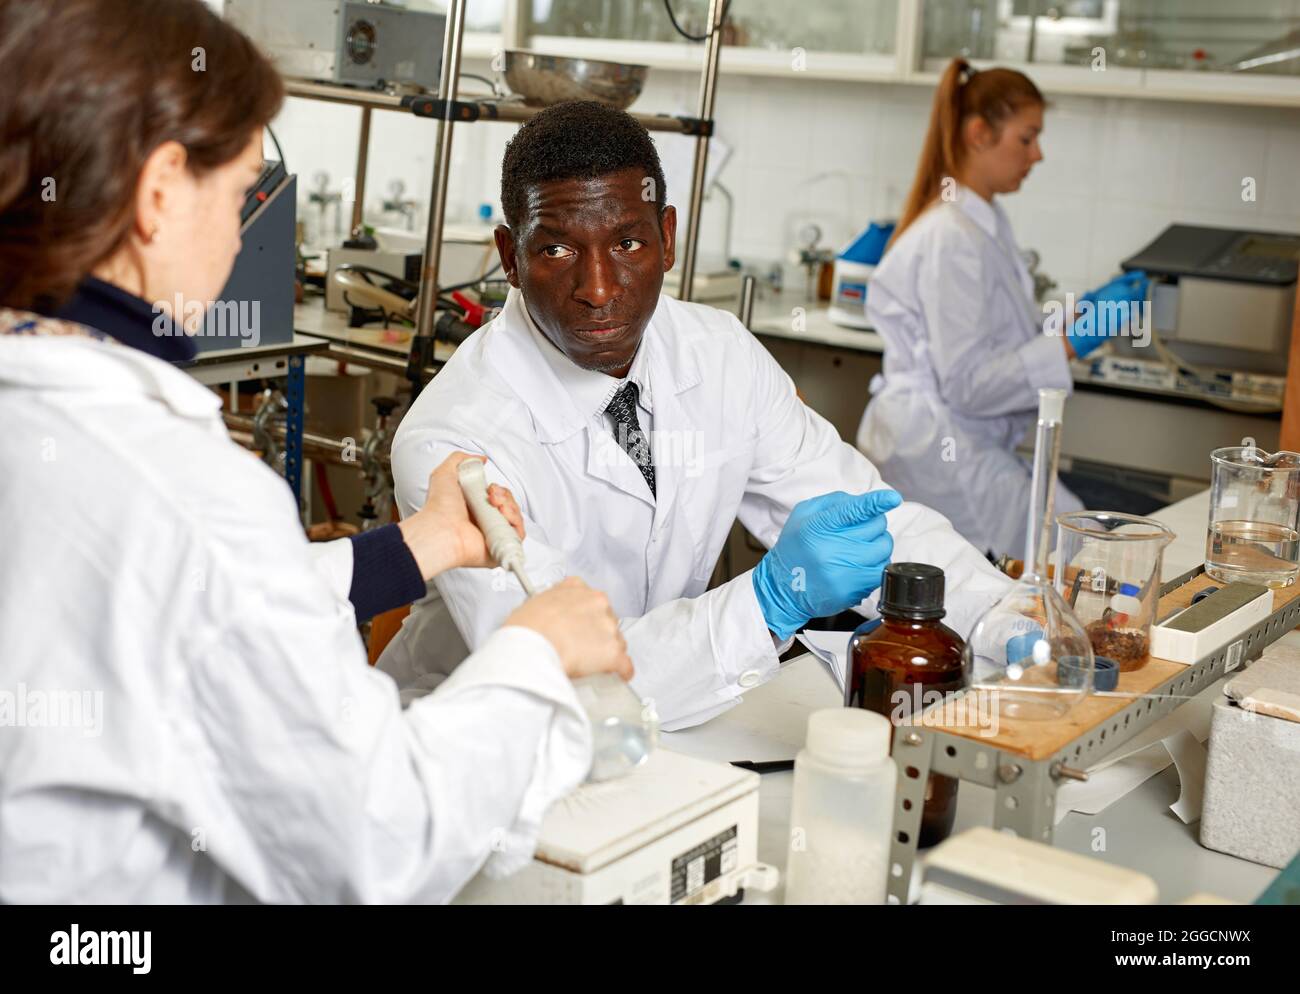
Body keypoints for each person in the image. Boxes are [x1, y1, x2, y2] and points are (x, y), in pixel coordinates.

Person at [0, 0, 631, 904]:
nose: (248, 234)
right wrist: (532, 657)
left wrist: (418, 548)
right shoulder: (179, 484)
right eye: (240, 194)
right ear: (159, 192)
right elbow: (374, 843)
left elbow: (186, 614)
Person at [376, 100, 1014, 731]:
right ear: (510, 257)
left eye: (628, 242)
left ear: (668, 238)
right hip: (487, 746)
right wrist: (768, 603)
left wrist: (1013, 623)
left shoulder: (720, 353)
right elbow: (563, 672)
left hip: (670, 722)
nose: (598, 288)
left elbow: (874, 520)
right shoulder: (453, 441)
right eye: (558, 252)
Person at [855, 58, 1149, 561]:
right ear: (978, 133)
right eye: (1026, 137)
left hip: (966, 441)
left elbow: (998, 340)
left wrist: (1078, 319)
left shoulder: (981, 222)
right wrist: (1071, 342)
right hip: (944, 451)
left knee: (1081, 552)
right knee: (1081, 558)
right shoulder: (951, 236)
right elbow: (970, 383)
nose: (1038, 154)